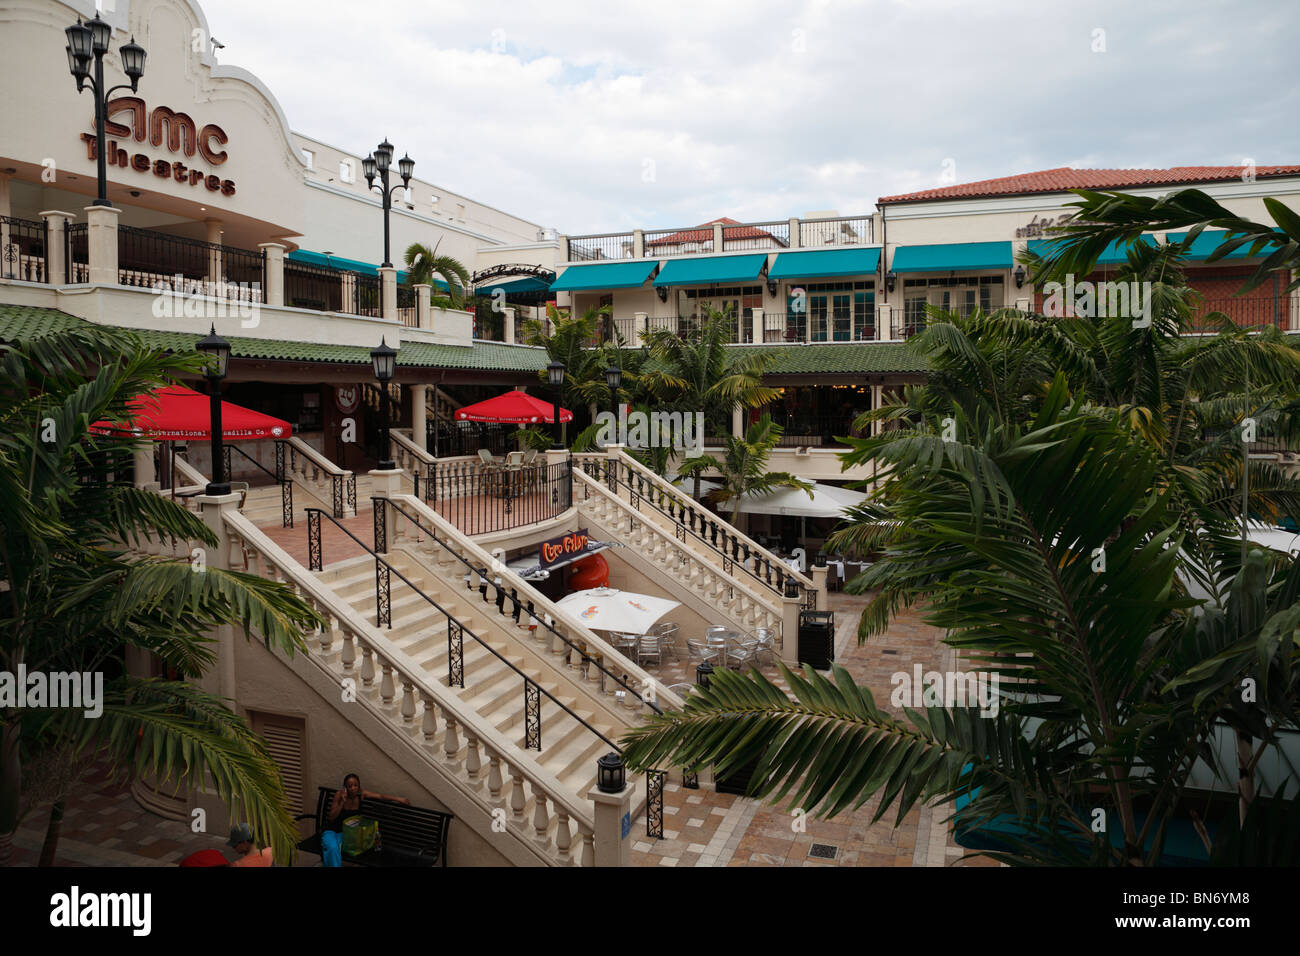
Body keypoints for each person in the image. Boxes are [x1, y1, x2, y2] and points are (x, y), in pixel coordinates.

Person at [320, 773, 411, 867]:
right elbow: (331, 818)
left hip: (347, 834)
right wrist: (342, 803)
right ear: (345, 787)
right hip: (331, 831)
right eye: (350, 786)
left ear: (359, 786)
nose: (353, 788)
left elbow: (380, 796)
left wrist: (399, 799)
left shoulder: (361, 795)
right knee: (333, 848)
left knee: (340, 849)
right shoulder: (339, 795)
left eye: (355, 785)